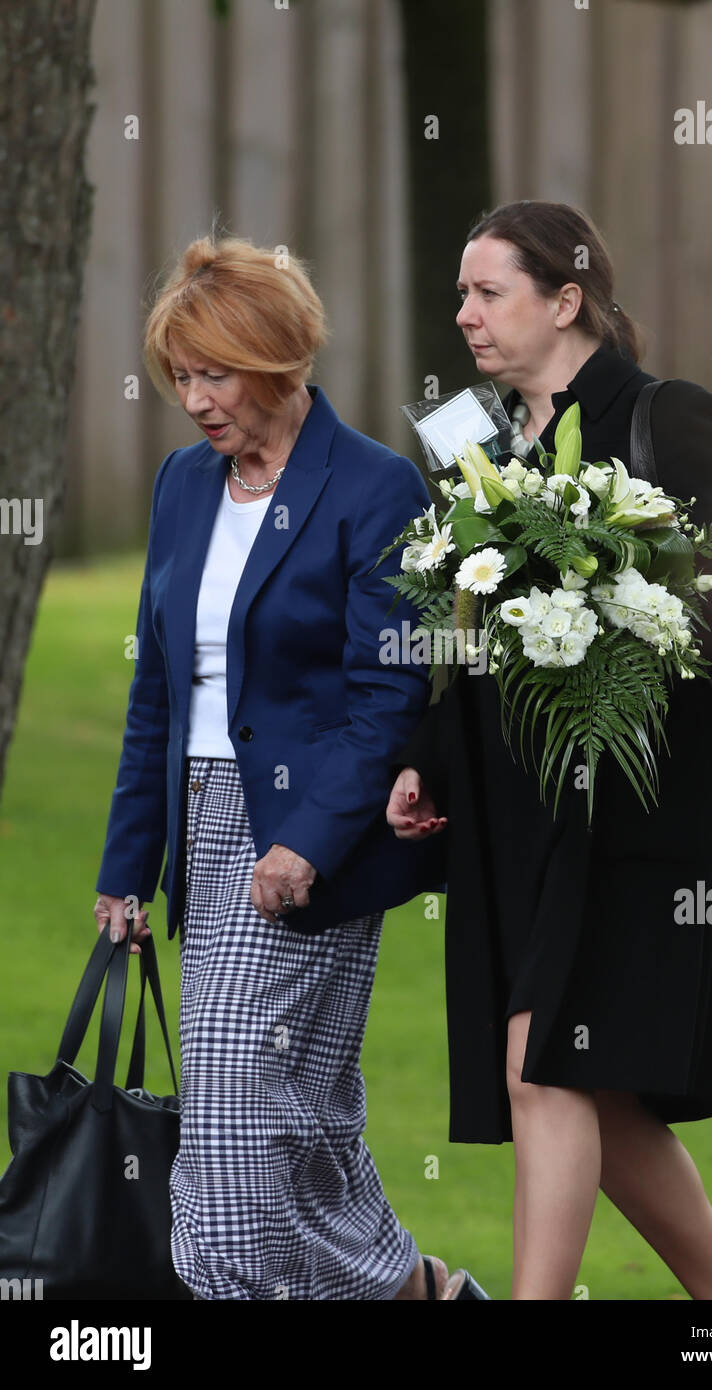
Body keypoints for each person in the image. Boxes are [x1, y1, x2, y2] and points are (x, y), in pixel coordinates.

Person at [387, 201, 712, 1302]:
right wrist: (428, 750)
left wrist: (605, 599)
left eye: (486, 292)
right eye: (460, 293)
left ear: (565, 301)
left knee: (544, 1061)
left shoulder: (670, 416)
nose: (462, 314)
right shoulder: (468, 436)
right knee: (593, 1085)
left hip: (640, 805)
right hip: (517, 812)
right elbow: (462, 624)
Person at [92, 233, 465, 1300]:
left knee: (232, 1112)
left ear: (277, 358)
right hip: (196, 821)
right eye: (180, 376)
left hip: (309, 833)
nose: (195, 399)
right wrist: (129, 867)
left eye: (215, 371)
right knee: (291, 1113)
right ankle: (413, 1291)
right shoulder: (180, 485)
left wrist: (304, 839)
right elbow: (155, 693)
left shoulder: (374, 487)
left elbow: (386, 694)